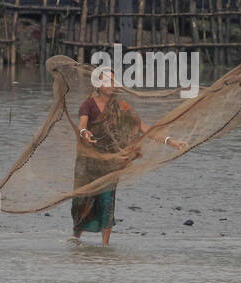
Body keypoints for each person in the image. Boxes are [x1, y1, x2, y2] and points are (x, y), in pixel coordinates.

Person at [72, 69, 186, 245]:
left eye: (114, 81)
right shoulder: (87, 104)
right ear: (98, 85)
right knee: (82, 202)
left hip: (111, 162)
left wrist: (170, 141)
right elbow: (82, 125)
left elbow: (143, 127)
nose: (113, 84)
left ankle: (105, 246)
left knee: (107, 200)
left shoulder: (121, 107)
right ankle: (76, 238)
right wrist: (84, 132)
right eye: (108, 81)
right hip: (89, 161)